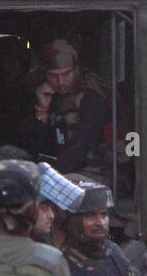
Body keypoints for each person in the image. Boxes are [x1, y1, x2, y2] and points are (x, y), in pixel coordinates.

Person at [38, 38, 111, 176]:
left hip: (96, 170)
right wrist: (43, 110)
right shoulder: (46, 93)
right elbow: (35, 145)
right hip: (57, 165)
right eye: (53, 76)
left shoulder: (92, 98)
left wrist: (50, 177)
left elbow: (80, 148)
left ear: (76, 70)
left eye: (66, 74)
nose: (61, 82)